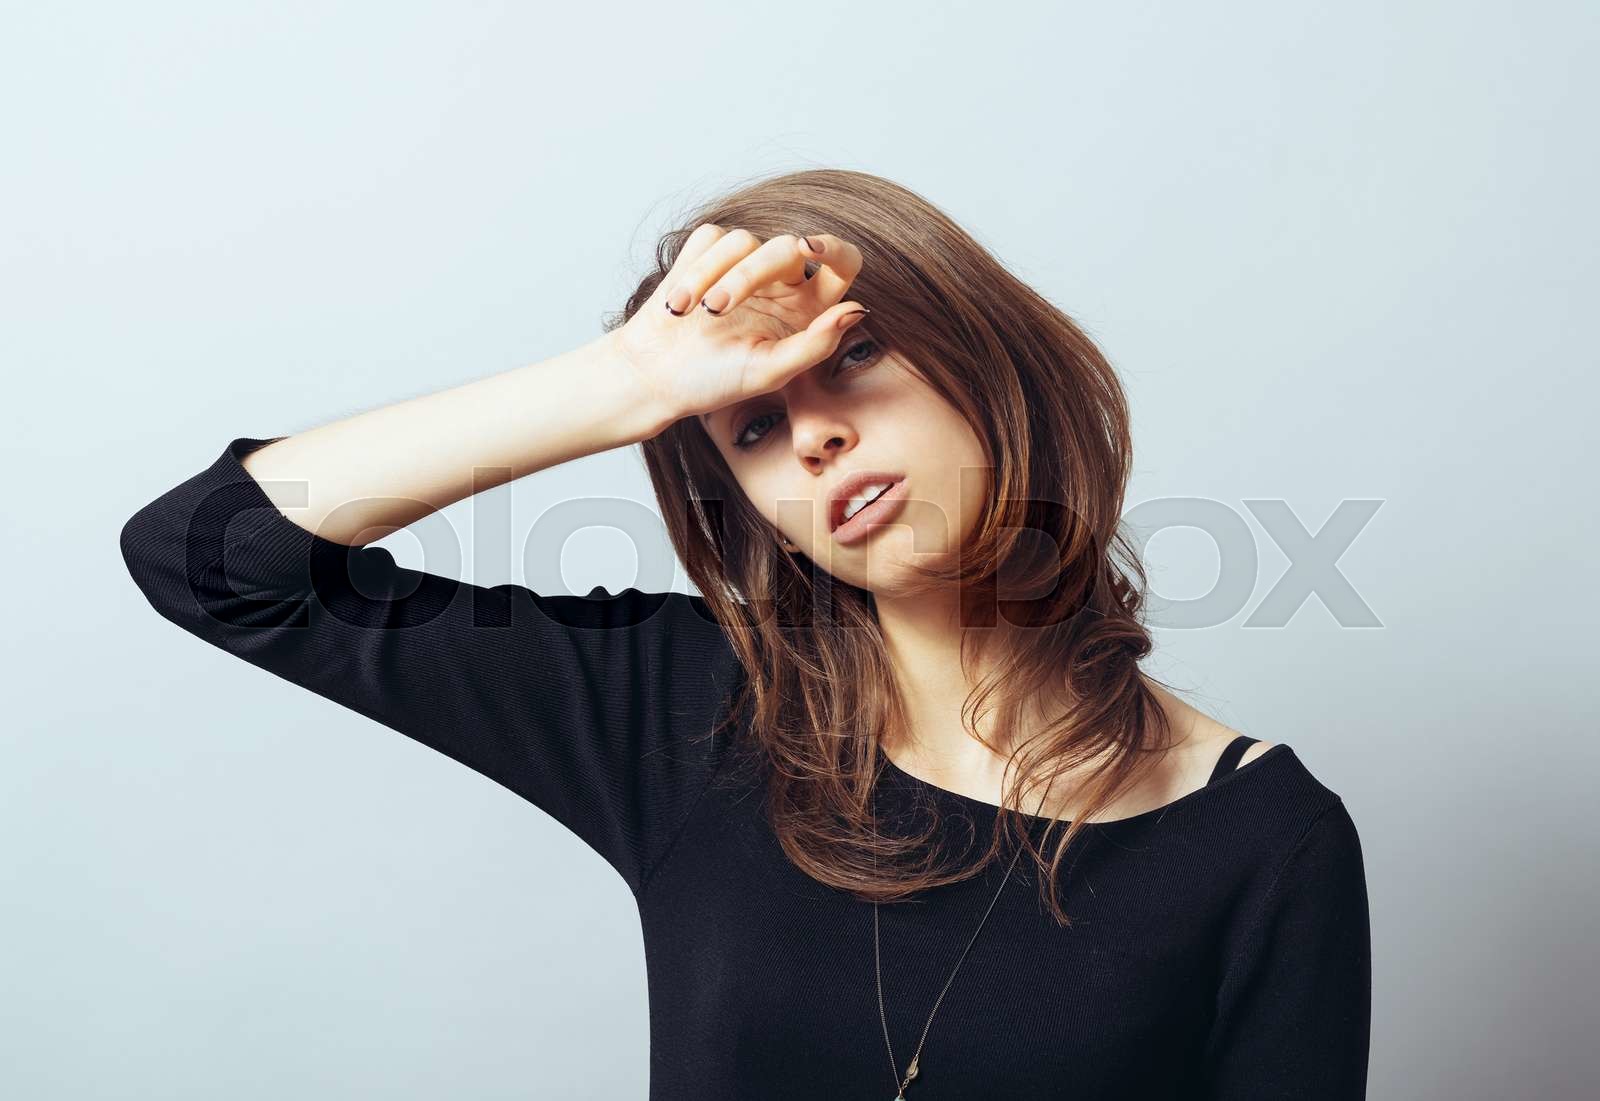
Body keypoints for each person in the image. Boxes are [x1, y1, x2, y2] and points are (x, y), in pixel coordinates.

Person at [120, 168, 1371, 1099]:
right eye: (754, 429)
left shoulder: (1266, 844)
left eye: (856, 355)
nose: (815, 435)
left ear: (989, 365)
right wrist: (626, 388)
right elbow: (211, 561)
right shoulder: (687, 716)